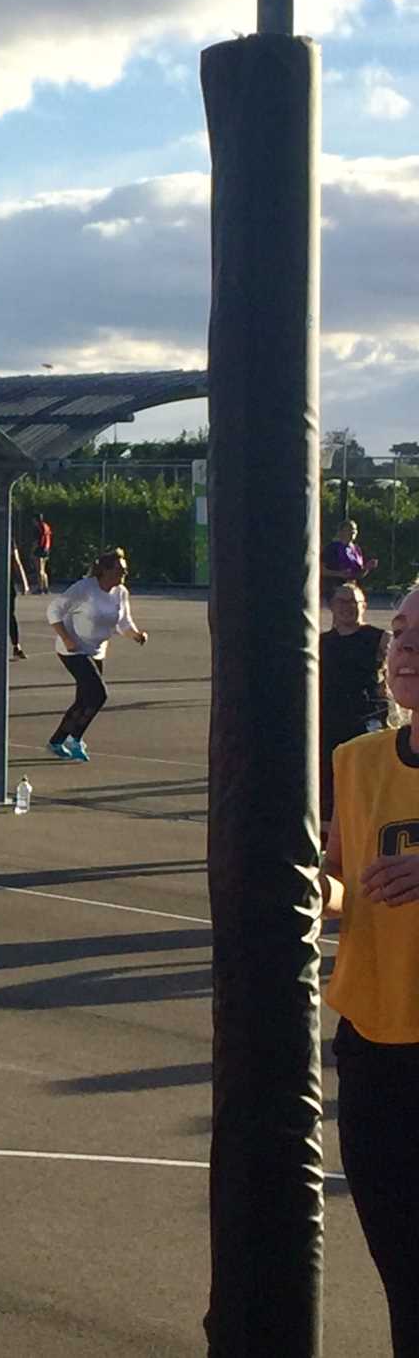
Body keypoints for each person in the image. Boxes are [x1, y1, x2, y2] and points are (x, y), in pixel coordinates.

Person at [319, 582, 419, 1356]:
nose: (407, 647)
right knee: (405, 1277)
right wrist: (301, 892)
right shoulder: (356, 762)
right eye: (403, 632)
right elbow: (340, 882)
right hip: (377, 1046)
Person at [45, 547, 148, 761]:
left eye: (125, 570)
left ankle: (56, 741)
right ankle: (75, 738)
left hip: (96, 651)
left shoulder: (121, 592)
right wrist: (66, 638)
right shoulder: (84, 589)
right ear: (105, 571)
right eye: (120, 570)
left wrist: (135, 635)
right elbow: (53, 611)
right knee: (99, 694)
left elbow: (123, 622)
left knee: (84, 700)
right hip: (73, 650)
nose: (124, 574)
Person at [322, 581, 391, 837]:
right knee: (330, 787)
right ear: (331, 606)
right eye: (342, 601)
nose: (348, 608)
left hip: (366, 723)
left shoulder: (380, 639)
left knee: (366, 783)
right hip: (329, 725)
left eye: (354, 602)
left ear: (364, 606)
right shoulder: (320, 644)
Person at [323, 520, 379, 602]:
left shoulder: (356, 549)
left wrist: (367, 568)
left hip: (353, 590)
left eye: (355, 529)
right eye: (350, 529)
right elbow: (321, 570)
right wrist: (339, 574)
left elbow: (358, 575)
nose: (353, 532)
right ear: (341, 532)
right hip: (336, 589)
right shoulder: (332, 548)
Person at [31, 513, 53, 592]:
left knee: (39, 570)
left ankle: (40, 588)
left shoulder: (38, 528)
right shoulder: (46, 526)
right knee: (43, 570)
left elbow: (36, 541)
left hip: (40, 550)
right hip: (46, 549)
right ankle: (46, 587)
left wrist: (32, 551)